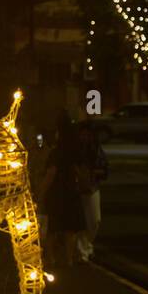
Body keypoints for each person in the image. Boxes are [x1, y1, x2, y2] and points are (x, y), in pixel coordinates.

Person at [40, 111, 85, 269]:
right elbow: (79, 170)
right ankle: (69, 259)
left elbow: (51, 173)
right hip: (72, 191)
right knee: (70, 228)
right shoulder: (75, 149)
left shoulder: (56, 152)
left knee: (53, 227)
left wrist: (42, 191)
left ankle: (50, 258)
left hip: (57, 192)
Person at [75, 121, 108, 262]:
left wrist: (94, 173)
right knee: (81, 221)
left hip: (93, 187)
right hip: (78, 189)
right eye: (83, 133)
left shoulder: (95, 149)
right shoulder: (75, 149)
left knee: (95, 220)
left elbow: (105, 168)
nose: (85, 136)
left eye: (87, 133)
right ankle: (84, 251)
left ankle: (86, 246)